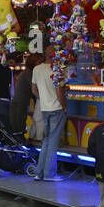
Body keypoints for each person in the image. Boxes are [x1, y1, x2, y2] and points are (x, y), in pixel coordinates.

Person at [30, 50, 68, 181]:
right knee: (53, 142)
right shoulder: (57, 69)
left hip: (44, 108)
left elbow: (33, 90)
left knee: (46, 141)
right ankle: (49, 174)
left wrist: (44, 99)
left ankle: (39, 172)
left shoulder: (36, 69)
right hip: (56, 108)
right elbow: (59, 90)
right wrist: (64, 105)